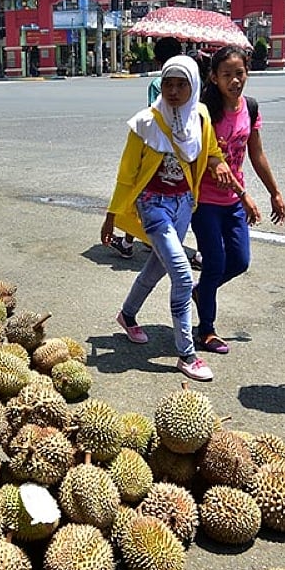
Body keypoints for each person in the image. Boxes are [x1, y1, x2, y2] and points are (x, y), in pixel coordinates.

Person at [99, 56, 234, 382]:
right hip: (153, 206)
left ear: (194, 85)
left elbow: (211, 148)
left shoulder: (199, 116)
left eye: (181, 83)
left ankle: (127, 315)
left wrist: (217, 161)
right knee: (184, 277)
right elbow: (126, 174)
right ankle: (186, 354)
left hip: (184, 204)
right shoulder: (145, 122)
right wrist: (111, 216)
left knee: (156, 268)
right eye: (168, 83)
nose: (173, 90)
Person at [191, 45, 285, 355]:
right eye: (227, 75)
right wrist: (246, 197)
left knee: (239, 261)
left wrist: (274, 191)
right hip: (204, 200)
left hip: (232, 199)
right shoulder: (205, 111)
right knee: (215, 262)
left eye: (240, 74)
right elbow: (204, 158)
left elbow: (256, 153)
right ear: (214, 78)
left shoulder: (251, 108)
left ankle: (201, 291)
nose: (235, 81)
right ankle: (206, 330)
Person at [109, 36, 185, 260]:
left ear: (159, 60)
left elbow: (154, 114)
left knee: (141, 194)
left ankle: (128, 241)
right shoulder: (190, 80)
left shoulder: (158, 83)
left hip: (157, 150)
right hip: (181, 152)